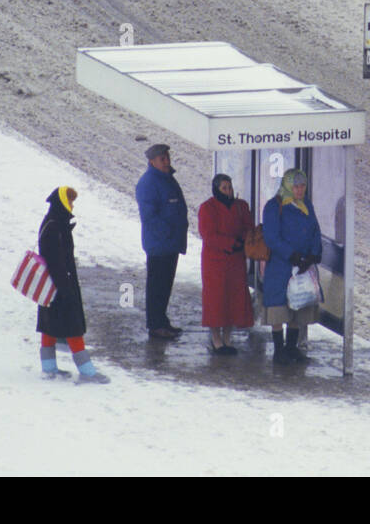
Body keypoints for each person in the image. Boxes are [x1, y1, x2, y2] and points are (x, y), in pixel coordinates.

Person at [36, 186, 108, 383]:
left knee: (49, 326)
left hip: (50, 287)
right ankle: (87, 371)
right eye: (70, 201)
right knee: (72, 326)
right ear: (63, 202)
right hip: (59, 285)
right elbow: (56, 261)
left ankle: (49, 368)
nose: (73, 205)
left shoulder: (55, 223)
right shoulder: (54, 227)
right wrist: (66, 289)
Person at [261, 169, 322, 364]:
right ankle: (279, 350)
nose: (299, 190)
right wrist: (291, 255)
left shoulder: (306, 205)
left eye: (302, 185)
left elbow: (315, 230)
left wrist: (312, 255)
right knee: (279, 307)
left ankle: (291, 347)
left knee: (299, 305)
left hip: (302, 266)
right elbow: (271, 237)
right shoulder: (274, 206)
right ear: (287, 186)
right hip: (281, 266)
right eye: (295, 186)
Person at [135, 143, 188, 340]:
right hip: (160, 245)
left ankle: (161, 320)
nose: (166, 161)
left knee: (165, 286)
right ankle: (155, 325)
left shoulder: (166, 179)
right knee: (157, 286)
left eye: (167, 157)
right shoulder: (149, 183)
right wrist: (168, 233)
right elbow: (149, 217)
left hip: (170, 243)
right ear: (152, 161)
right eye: (162, 159)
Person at [197, 174, 254, 355]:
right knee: (216, 300)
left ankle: (227, 339)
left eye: (229, 187)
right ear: (216, 189)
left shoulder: (241, 206)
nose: (228, 191)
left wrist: (242, 240)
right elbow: (208, 234)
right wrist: (231, 243)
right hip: (215, 263)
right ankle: (216, 339)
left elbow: (249, 228)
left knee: (233, 299)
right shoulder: (207, 208)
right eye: (224, 188)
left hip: (236, 261)